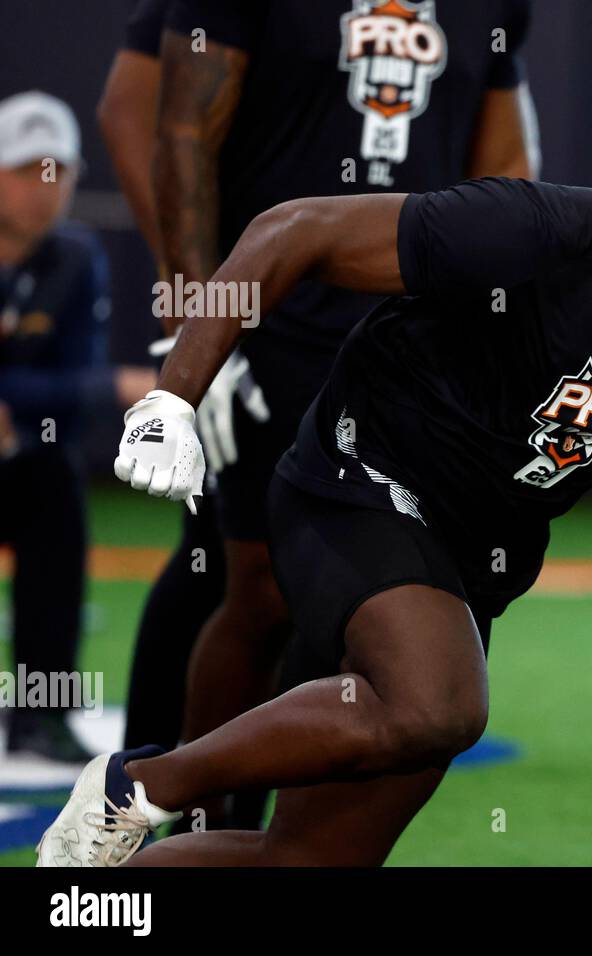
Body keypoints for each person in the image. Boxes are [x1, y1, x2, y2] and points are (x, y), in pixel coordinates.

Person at [38, 91, 592, 867]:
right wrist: (173, 399)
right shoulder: (537, 233)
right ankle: (140, 783)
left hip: (471, 557)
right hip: (360, 479)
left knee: (312, 859)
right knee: (440, 705)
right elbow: (294, 229)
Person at [126, 0, 540, 832]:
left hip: (417, 338)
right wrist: (195, 326)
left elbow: (506, 168)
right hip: (274, 313)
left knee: (370, 602)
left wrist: (503, 329)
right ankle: (201, 814)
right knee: (260, 587)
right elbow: (179, 135)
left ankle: (285, 839)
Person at [0, 91, 155, 763]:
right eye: (29, 168)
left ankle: (42, 711)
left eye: (59, 171)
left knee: (56, 488)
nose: (47, 188)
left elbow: (69, 393)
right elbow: (88, 385)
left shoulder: (74, 258)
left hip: (22, 455)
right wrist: (113, 387)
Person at [97, 0, 229, 757]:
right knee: (227, 555)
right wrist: (197, 295)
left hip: (367, 309)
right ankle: (143, 788)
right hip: (249, 310)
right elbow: (127, 108)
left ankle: (238, 815)